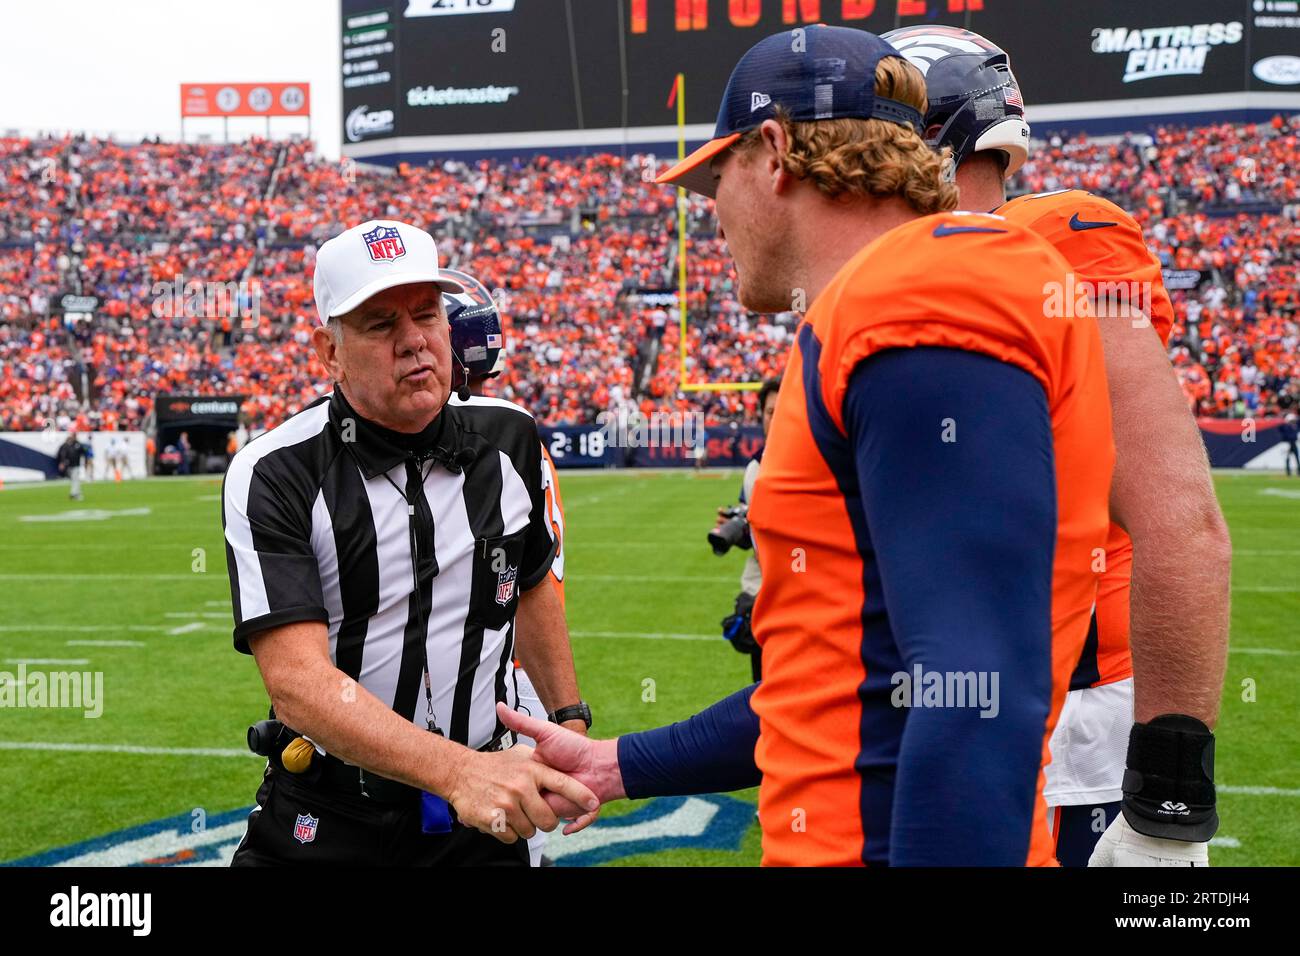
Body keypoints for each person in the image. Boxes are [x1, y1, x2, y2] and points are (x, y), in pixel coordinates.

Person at [505, 25, 1115, 866]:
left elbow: (975, 688)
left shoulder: (917, 298)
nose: (709, 213)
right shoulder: (894, 297)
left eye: (717, 179)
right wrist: (619, 765)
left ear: (776, 151)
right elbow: (847, 680)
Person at [883, 24, 1230, 867]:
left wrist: (1169, 796)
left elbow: (1180, 524)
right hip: (946, 697)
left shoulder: (1061, 242)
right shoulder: (892, 276)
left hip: (1077, 709)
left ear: (925, 140)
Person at [221, 220, 597, 866]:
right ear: (329, 352)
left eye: (427, 315)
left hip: (482, 815)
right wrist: (455, 773)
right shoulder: (276, 470)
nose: (414, 341)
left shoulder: (510, 440)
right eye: (380, 324)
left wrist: (568, 721)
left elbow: (531, 584)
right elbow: (299, 683)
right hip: (334, 808)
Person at [443, 266, 582, 868]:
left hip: (492, 669)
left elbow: (529, 583)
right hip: (502, 667)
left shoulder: (496, 438)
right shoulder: (510, 432)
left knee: (496, 824)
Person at [714, 378, 779, 682]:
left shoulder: (821, 462)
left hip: (804, 602)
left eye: (783, 410)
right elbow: (756, 532)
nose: (776, 419)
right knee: (762, 697)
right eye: (770, 412)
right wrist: (737, 530)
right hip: (762, 597)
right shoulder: (755, 466)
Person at [55, 433, 88, 500]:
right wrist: (62, 463)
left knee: (75, 479)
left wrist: (85, 463)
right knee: (74, 480)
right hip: (69, 465)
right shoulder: (67, 445)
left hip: (76, 465)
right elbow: (62, 455)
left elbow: (84, 453)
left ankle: (73, 493)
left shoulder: (78, 445)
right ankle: (77, 493)